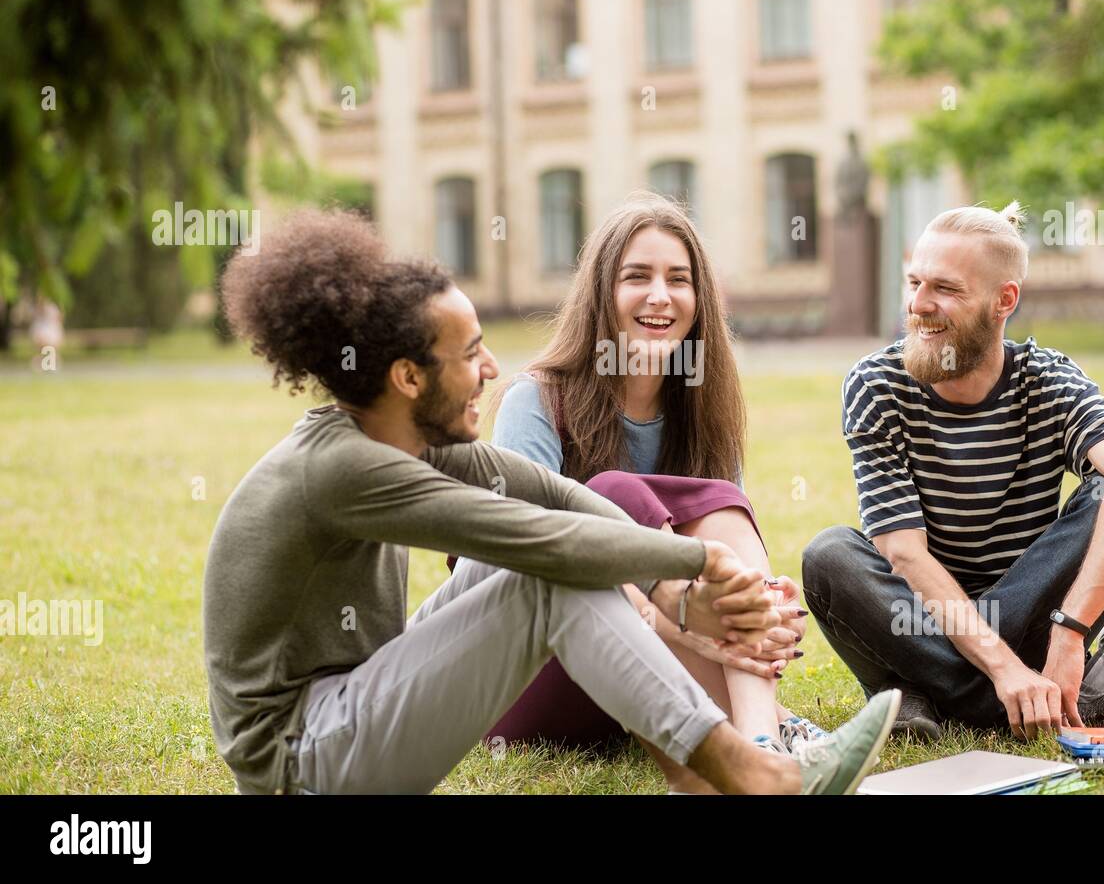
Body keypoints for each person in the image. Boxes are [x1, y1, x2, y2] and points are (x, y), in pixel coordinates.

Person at [203, 207, 901, 795]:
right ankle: (754, 775)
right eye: (471, 352)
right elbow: (540, 539)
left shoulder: (412, 437)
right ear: (409, 377)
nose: (492, 368)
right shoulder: (345, 468)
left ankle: (750, 749)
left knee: (565, 547)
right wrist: (686, 575)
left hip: (360, 698)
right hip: (301, 762)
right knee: (552, 574)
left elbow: (556, 497)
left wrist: (700, 576)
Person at [478, 194, 826, 792]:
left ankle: (758, 740)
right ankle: (771, 730)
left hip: (645, 698)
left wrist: (767, 613)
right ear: (601, 295)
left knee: (715, 501)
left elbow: (727, 559)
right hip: (532, 679)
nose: (660, 296)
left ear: (700, 302)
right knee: (613, 492)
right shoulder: (536, 402)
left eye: (679, 280)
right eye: (637, 276)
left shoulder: (704, 412)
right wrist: (696, 626)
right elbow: (531, 567)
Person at [802, 201, 1104, 743]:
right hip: (924, 620)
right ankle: (1040, 699)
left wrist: (1069, 637)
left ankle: (917, 696)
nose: (918, 305)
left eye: (946, 290)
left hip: (1032, 624)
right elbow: (905, 554)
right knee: (830, 555)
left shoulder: (1047, 379)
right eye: (914, 282)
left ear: (1005, 301)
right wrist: (1003, 670)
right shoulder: (876, 385)